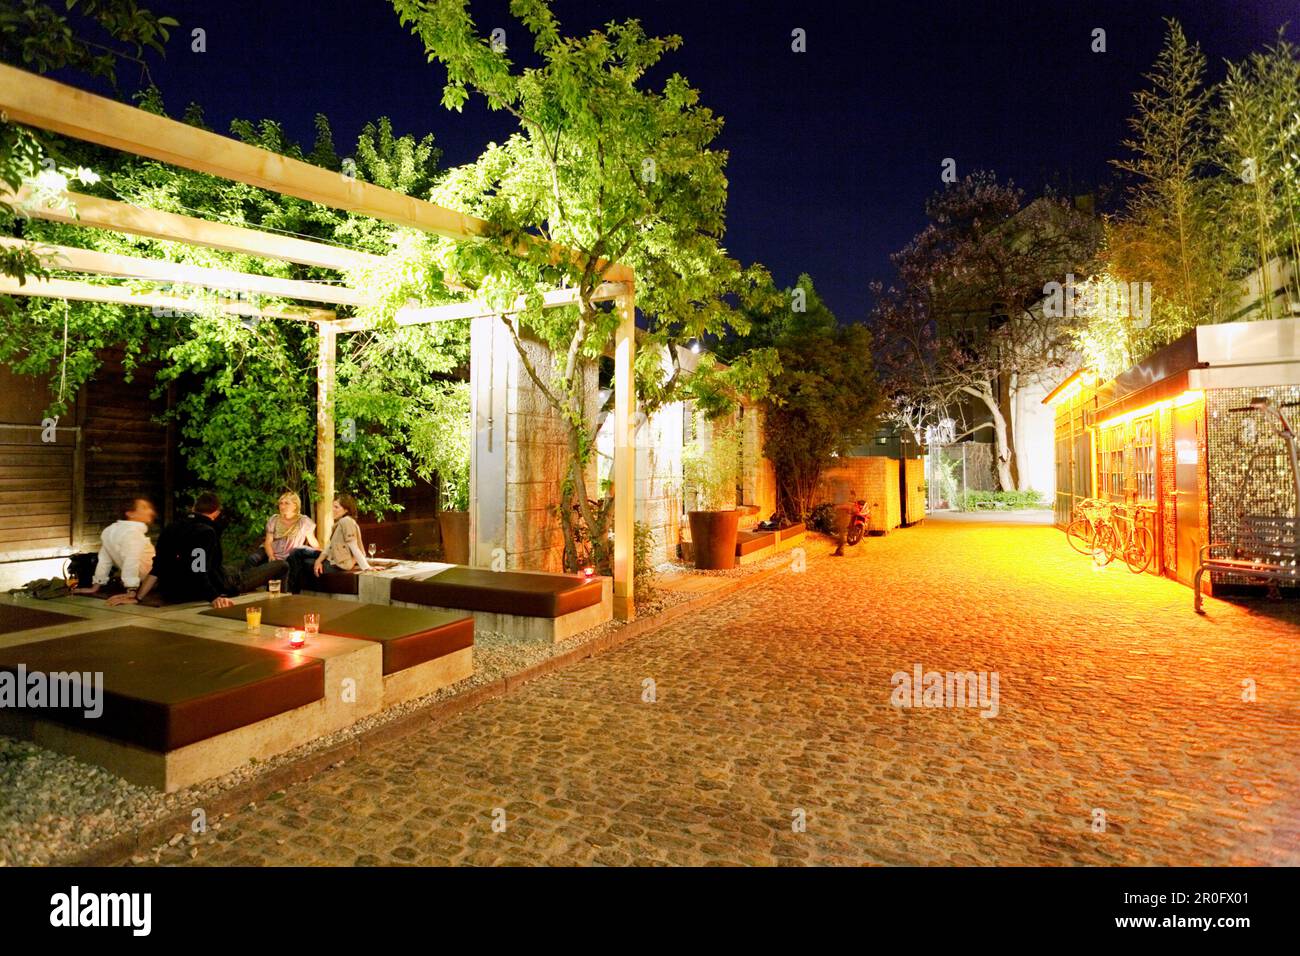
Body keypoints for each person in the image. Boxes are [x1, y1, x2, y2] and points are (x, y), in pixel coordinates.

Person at [109, 492, 288, 609]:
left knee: (243, 563)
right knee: (282, 565)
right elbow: (198, 568)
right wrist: (214, 598)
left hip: (182, 586)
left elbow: (159, 566)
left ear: (194, 508)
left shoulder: (172, 527)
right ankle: (284, 604)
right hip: (219, 584)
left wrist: (138, 596)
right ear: (215, 513)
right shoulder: (206, 532)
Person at [73, 496, 157, 600]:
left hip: (143, 580)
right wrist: (131, 590)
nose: (150, 511)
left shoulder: (109, 530)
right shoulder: (133, 533)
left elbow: (104, 560)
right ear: (130, 513)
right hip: (153, 581)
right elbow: (131, 561)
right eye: (144, 508)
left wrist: (96, 586)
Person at [288, 494, 371, 592]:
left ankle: (292, 591)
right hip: (332, 557)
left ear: (346, 510)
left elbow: (354, 546)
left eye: (336, 507)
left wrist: (366, 567)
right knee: (297, 551)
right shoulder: (340, 522)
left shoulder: (346, 521)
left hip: (337, 564)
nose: (333, 509)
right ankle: (292, 590)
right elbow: (329, 546)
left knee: (299, 561)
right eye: (332, 506)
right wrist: (318, 561)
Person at [250, 491, 318, 592]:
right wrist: (271, 556)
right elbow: (268, 542)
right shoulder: (274, 519)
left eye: (287, 503)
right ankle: (246, 589)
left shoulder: (303, 521)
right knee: (252, 559)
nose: (282, 506)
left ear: (295, 505)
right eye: (281, 503)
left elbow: (313, 542)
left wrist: (321, 554)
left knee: (284, 570)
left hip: (290, 556)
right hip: (273, 552)